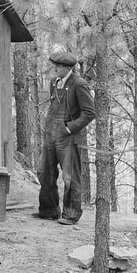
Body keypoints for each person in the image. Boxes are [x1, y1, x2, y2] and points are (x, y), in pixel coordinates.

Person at [36, 51, 95, 225]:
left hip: (67, 138)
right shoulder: (54, 82)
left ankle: (71, 214)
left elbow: (89, 112)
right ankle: (49, 210)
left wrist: (69, 128)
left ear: (68, 67)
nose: (56, 69)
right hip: (50, 135)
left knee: (70, 177)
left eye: (59, 66)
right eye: (56, 66)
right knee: (44, 172)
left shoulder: (79, 84)